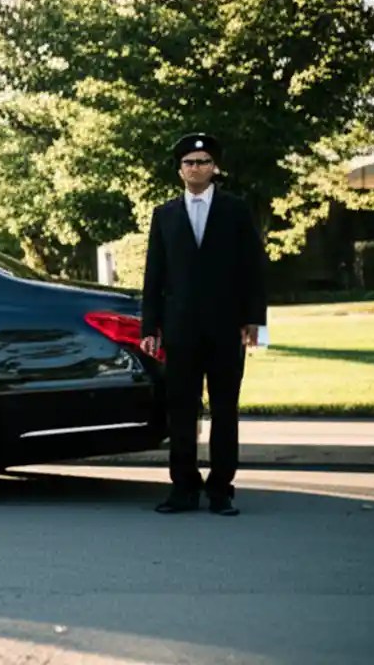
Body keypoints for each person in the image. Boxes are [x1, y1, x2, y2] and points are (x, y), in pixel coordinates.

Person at [140, 133, 267, 516]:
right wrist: (150, 326)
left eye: (204, 161)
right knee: (180, 409)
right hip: (180, 330)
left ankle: (221, 490)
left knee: (225, 408)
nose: (197, 168)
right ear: (180, 170)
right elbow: (155, 274)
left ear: (215, 167)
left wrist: (254, 320)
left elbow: (253, 268)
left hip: (227, 327)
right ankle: (183, 488)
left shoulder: (236, 210)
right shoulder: (165, 214)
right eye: (190, 163)